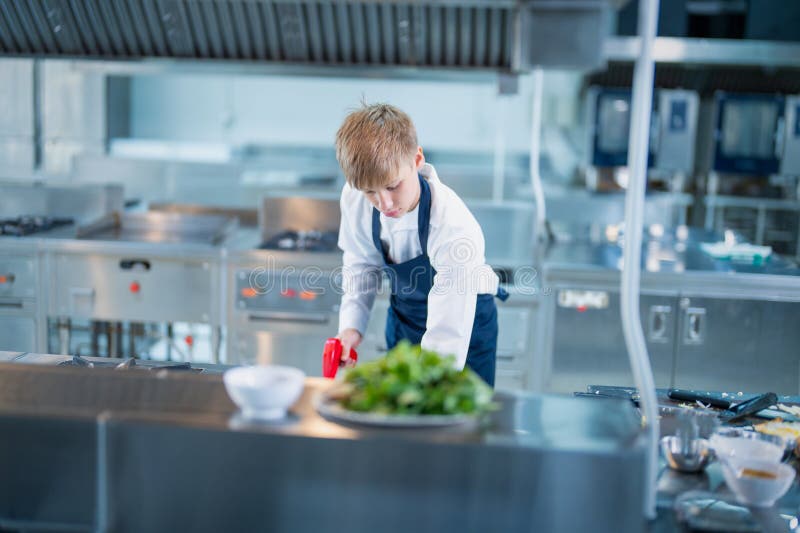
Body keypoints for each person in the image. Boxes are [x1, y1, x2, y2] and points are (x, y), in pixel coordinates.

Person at [334, 103, 508, 386]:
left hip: (464, 327)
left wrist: (424, 386)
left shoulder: (453, 227)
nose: (384, 204)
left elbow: (448, 330)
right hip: (405, 321)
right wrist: (351, 329)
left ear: (416, 160)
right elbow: (361, 261)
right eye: (370, 192)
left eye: (392, 186)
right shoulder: (356, 198)